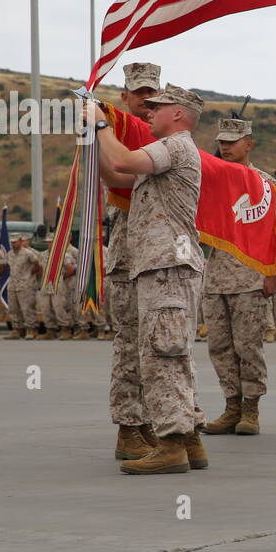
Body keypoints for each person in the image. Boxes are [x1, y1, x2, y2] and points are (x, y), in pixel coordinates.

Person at [91, 83, 209, 474]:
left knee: (163, 355)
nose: (149, 112)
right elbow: (117, 176)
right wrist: (92, 135)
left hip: (166, 270)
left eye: (158, 107)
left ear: (178, 113)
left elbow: (123, 162)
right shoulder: (167, 154)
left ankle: (172, 445)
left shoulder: (175, 146)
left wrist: (102, 125)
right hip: (161, 268)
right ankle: (188, 440)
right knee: (171, 352)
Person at [201, 117, 276, 437]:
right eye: (222, 142)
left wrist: (273, 272)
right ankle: (231, 405)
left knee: (248, 346)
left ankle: (251, 408)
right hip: (215, 277)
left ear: (248, 144)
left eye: (232, 142)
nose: (225, 147)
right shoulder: (211, 180)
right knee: (219, 345)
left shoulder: (265, 183)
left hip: (251, 278)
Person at [103, 62, 162, 459]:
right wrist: (98, 127)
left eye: (152, 94)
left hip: (158, 255)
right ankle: (129, 427)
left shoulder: (165, 139)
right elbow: (116, 176)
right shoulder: (116, 134)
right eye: (140, 94)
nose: (147, 100)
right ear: (124, 97)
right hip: (128, 254)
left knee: (158, 343)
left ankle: (151, 422)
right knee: (129, 342)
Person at [5, 234, 41, 339]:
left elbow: (38, 265)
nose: (13, 244)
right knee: (13, 309)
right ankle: (17, 330)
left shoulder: (28, 253)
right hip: (13, 285)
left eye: (15, 242)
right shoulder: (9, 254)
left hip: (25, 285)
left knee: (27, 309)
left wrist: (29, 275)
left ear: (20, 242)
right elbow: (8, 267)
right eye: (12, 242)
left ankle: (31, 330)